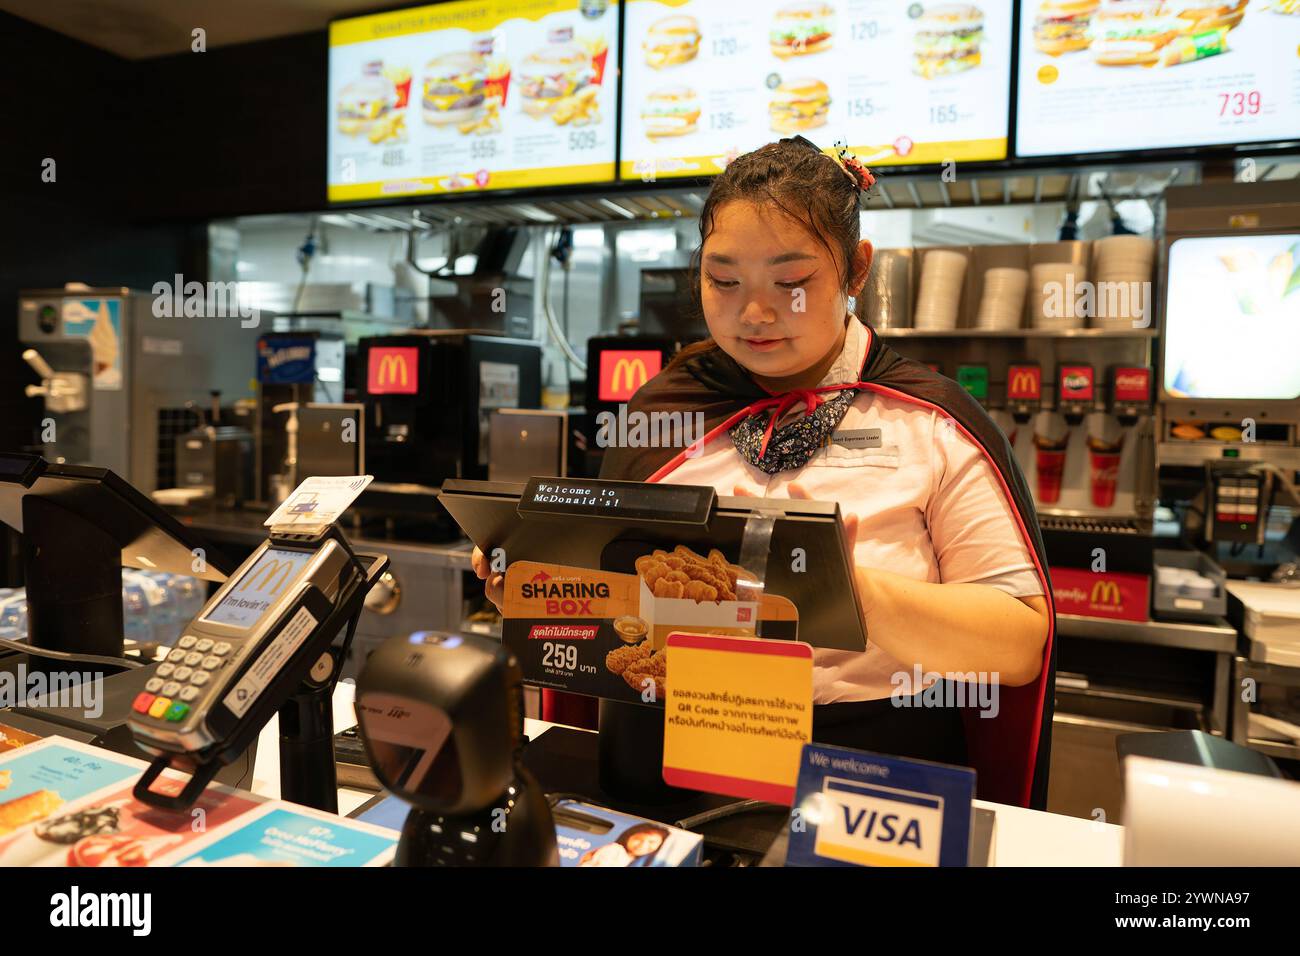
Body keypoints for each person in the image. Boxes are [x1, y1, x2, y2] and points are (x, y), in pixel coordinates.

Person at [475, 137, 1056, 807]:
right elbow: (620, 602)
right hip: (668, 754)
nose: (754, 312)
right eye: (723, 280)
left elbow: (1017, 646)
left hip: (866, 770)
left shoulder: (932, 424)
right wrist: (544, 594)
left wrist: (845, 591)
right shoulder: (664, 410)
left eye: (792, 282)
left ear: (857, 270)